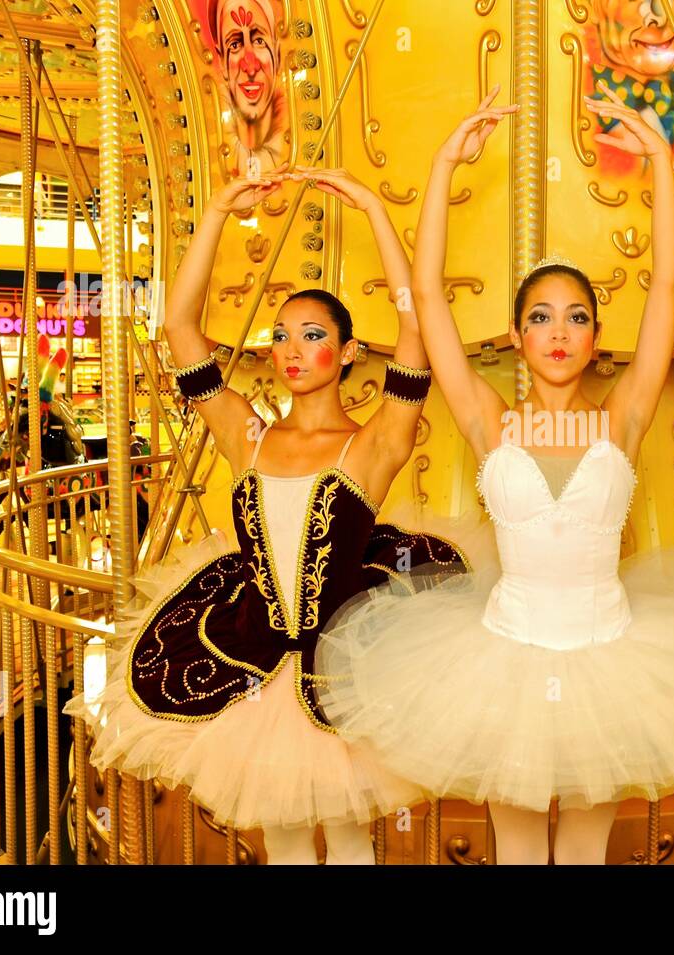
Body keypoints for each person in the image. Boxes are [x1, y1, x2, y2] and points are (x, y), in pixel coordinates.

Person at [317, 86, 674, 865]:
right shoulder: (488, 418)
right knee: (521, 853)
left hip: (613, 652)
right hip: (506, 655)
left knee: (588, 855)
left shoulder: (622, 417)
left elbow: (668, 287)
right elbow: (424, 298)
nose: (558, 332)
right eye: (540, 316)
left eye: (575, 317)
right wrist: (442, 169)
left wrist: (662, 163)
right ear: (518, 336)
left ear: (595, 337)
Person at [66, 168, 467, 864]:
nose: (289, 349)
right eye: (280, 334)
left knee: (347, 838)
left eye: (311, 334)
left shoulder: (373, 443)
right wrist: (220, 206)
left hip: (341, 663)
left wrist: (374, 206)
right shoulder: (245, 433)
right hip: (249, 650)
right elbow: (179, 326)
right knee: (282, 840)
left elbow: (414, 323)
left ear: (345, 352)